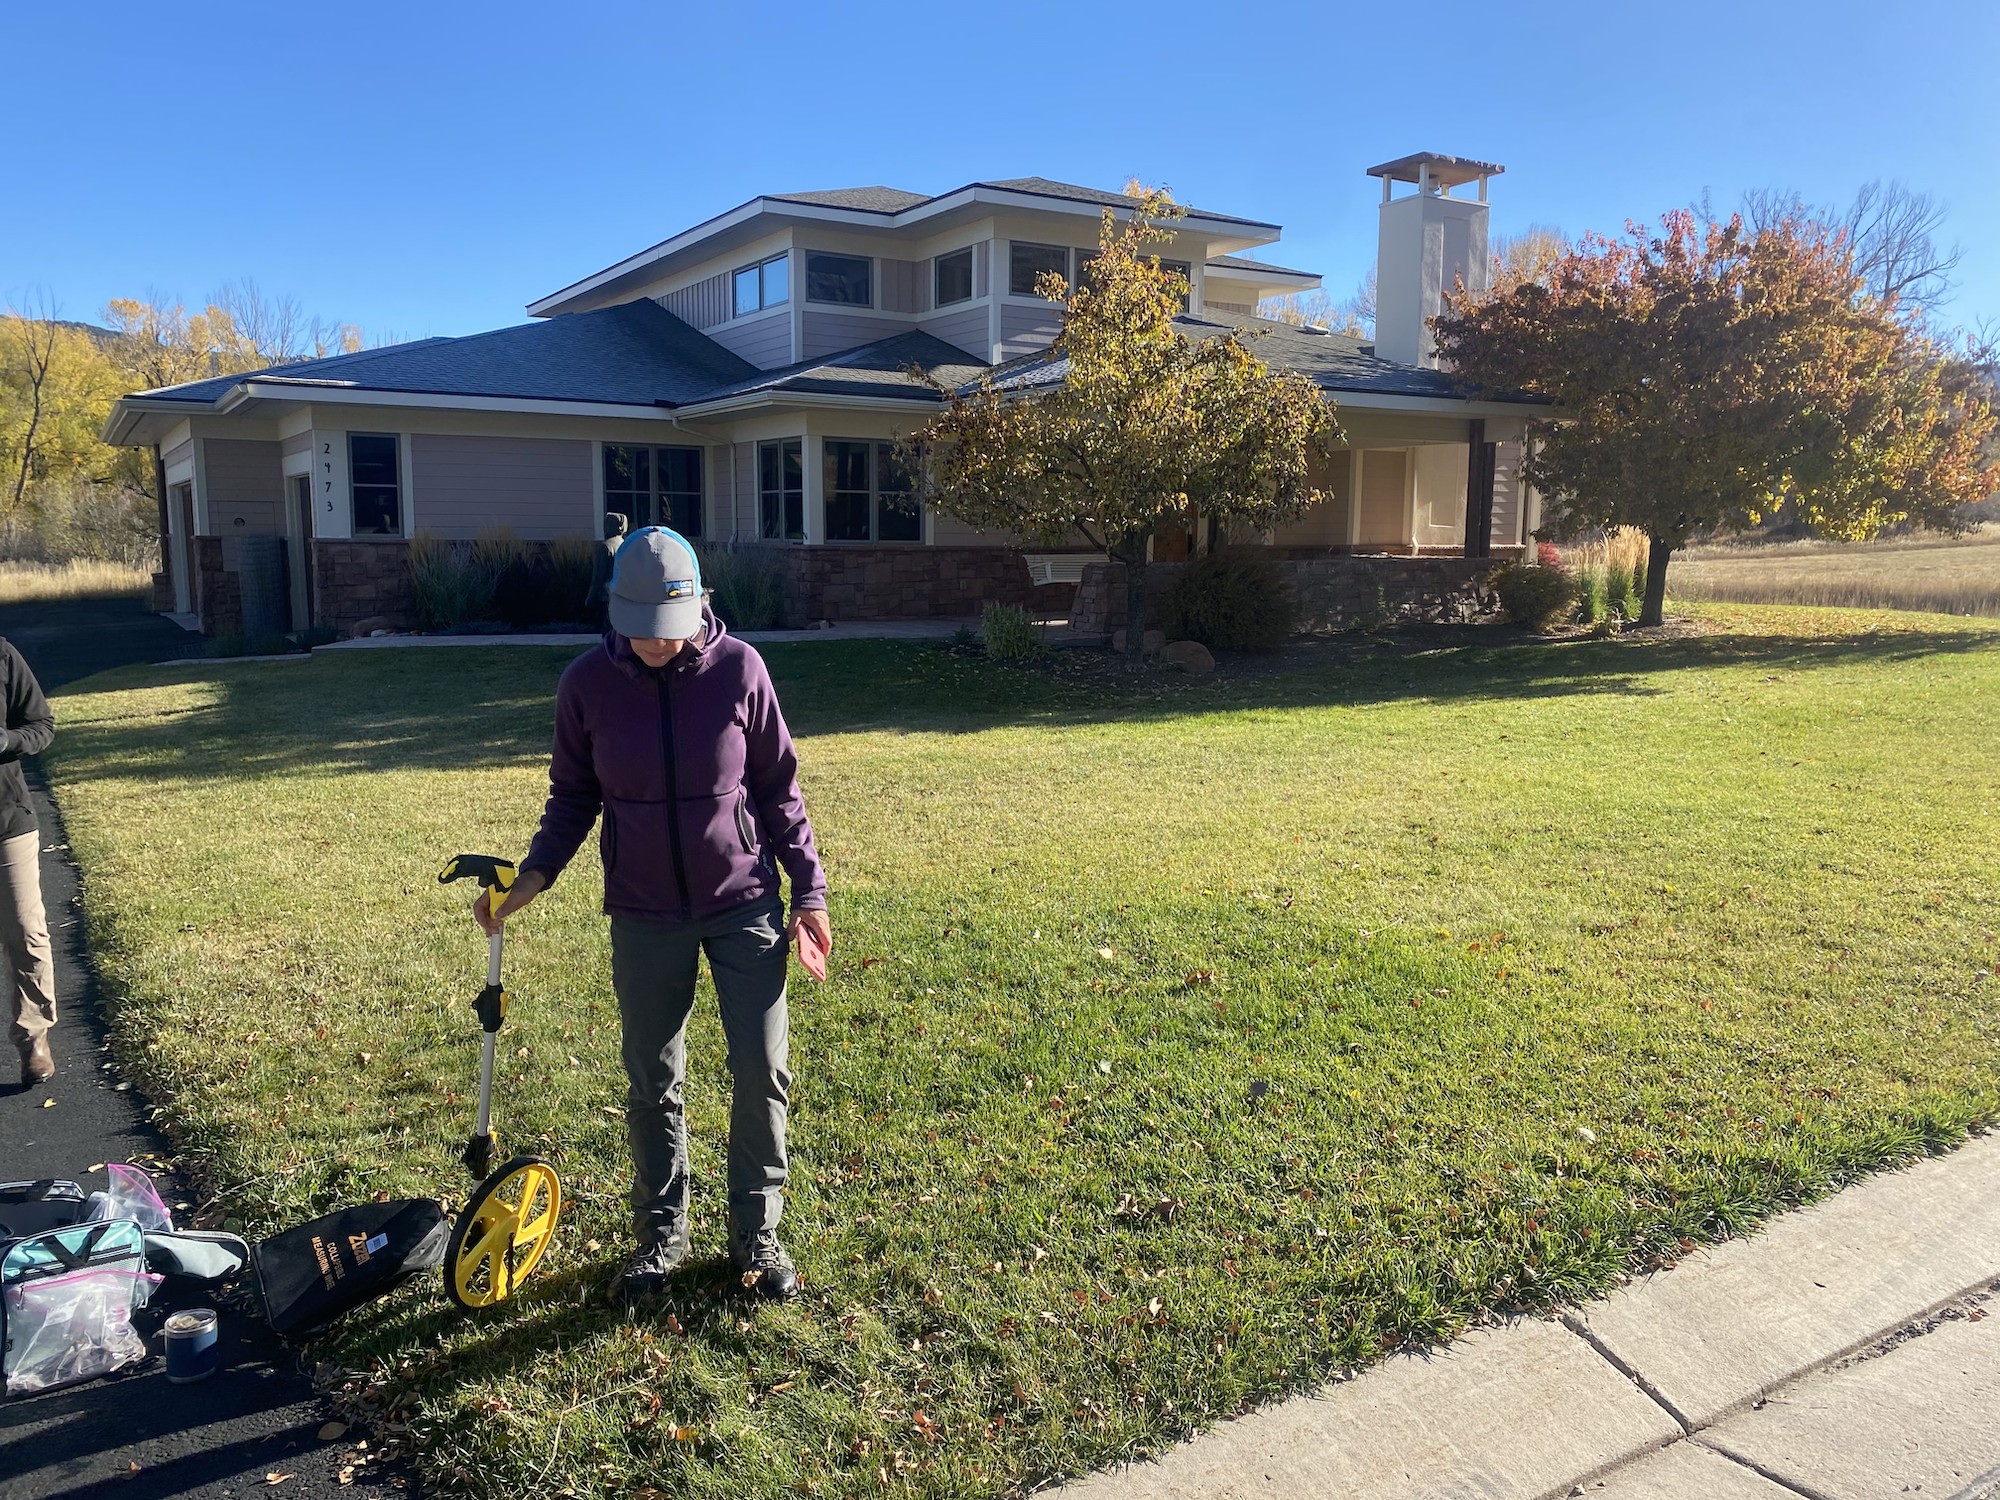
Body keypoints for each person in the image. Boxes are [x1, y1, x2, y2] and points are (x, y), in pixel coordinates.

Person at [485, 526, 830, 1302]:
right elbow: (571, 799)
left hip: (745, 906)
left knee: (760, 1071)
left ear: (699, 609)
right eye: (636, 629)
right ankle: (660, 1233)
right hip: (643, 914)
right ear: (614, 612)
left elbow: (779, 791)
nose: (650, 644)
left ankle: (757, 1233)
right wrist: (532, 878)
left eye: (665, 631)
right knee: (653, 1079)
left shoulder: (741, 670)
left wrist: (808, 893)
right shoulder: (587, 685)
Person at [0, 636, 56, 1087]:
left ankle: (33, 1036)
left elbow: (41, 724)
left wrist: (9, 739)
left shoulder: (2, 654)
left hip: (6, 820)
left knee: (24, 928)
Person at [584, 512, 629, 629]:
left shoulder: (605, 547)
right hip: (623, 594)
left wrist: (591, 597)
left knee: (608, 630)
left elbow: (598, 577)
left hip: (606, 596)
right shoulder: (625, 544)